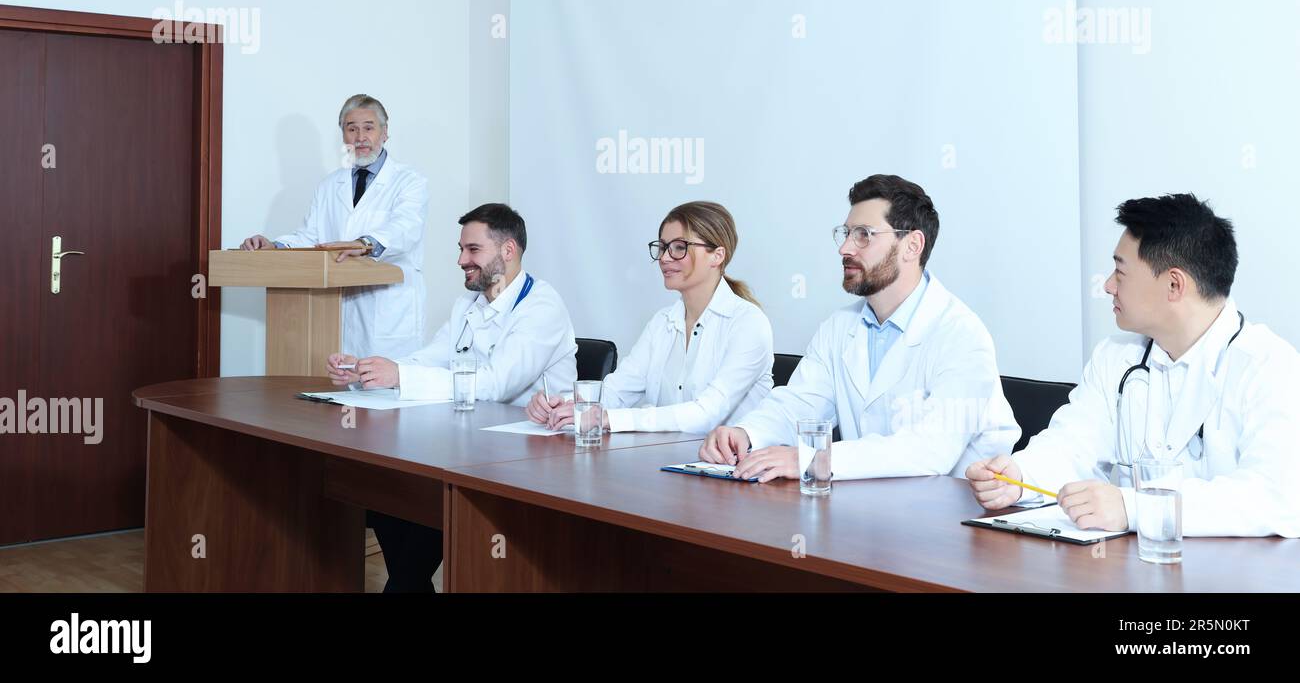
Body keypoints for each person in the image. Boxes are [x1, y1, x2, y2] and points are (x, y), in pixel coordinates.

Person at [967, 193, 1300, 537]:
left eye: (1120, 272)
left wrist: (1133, 507)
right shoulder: (1116, 356)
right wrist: (1019, 476)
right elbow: (1073, 443)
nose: (1109, 285)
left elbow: (1278, 496)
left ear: (1174, 284)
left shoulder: (1270, 366)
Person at [700, 174, 1019, 482]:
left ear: (912, 245)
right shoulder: (839, 327)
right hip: (869, 507)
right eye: (846, 233)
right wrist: (747, 433)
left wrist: (813, 458)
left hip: (954, 518)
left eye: (864, 234)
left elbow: (930, 449)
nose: (845, 249)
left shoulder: (961, 334)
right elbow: (800, 404)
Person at [326, 203, 577, 592]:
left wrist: (403, 376)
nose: (461, 260)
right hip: (470, 446)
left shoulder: (542, 306)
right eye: (461, 249)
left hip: (527, 458)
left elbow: (498, 384)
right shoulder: (469, 304)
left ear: (508, 251)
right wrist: (370, 369)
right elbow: (429, 357)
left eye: (472, 250)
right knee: (390, 497)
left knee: (415, 515)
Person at [526, 201, 772, 433]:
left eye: (679, 247)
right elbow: (618, 391)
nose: (665, 258)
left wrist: (607, 418)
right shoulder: (662, 322)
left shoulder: (748, 323)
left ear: (717, 256)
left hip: (734, 471)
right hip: (666, 463)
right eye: (663, 247)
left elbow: (706, 413)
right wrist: (562, 403)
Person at [241, 94, 427, 361]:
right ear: (343, 136)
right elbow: (311, 237)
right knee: (341, 390)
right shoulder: (329, 185)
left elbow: (406, 229)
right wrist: (275, 246)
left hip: (389, 310)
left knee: (385, 395)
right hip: (335, 313)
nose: (360, 136)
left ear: (385, 133)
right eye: (351, 128)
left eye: (368, 127)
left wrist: (364, 244)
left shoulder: (409, 182)